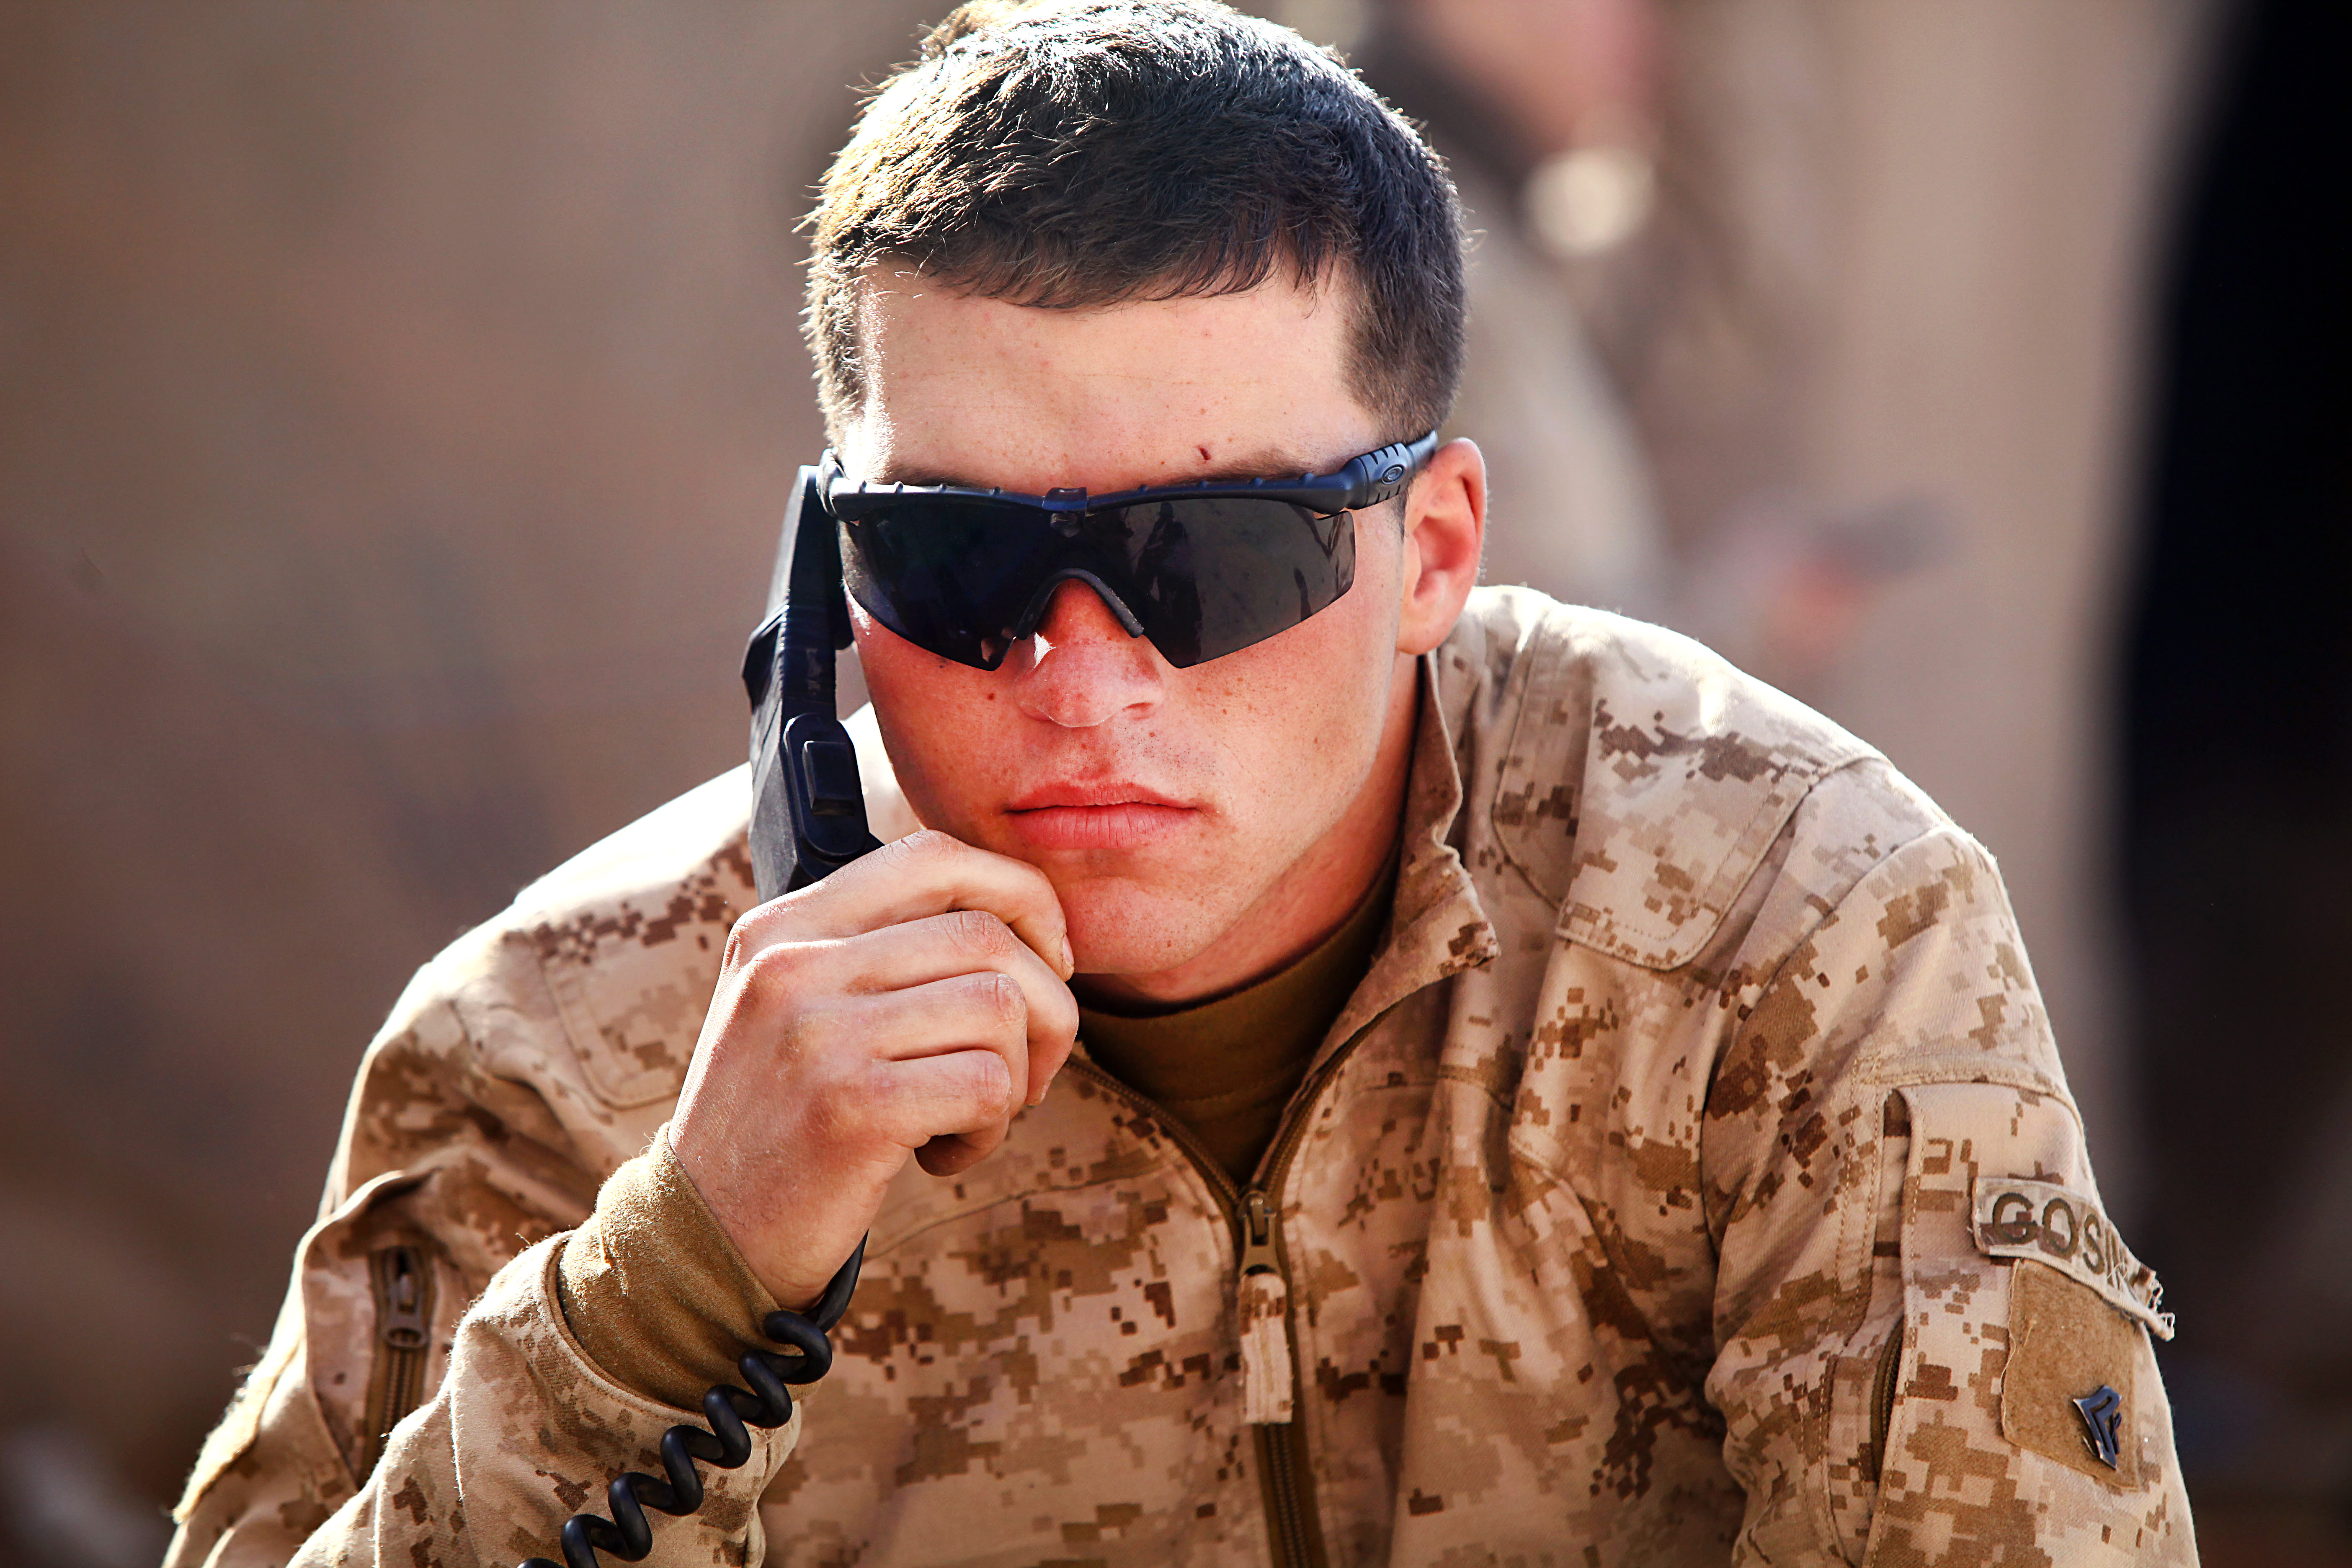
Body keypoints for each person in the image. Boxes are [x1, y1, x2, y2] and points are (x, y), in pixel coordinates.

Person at [164, 3, 2195, 1564]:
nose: (1081, 677)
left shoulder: (1798, 930)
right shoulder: (574, 1052)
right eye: (956, 560)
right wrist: (674, 1286)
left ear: (1440, 553)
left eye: (1212, 558)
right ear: (826, 572)